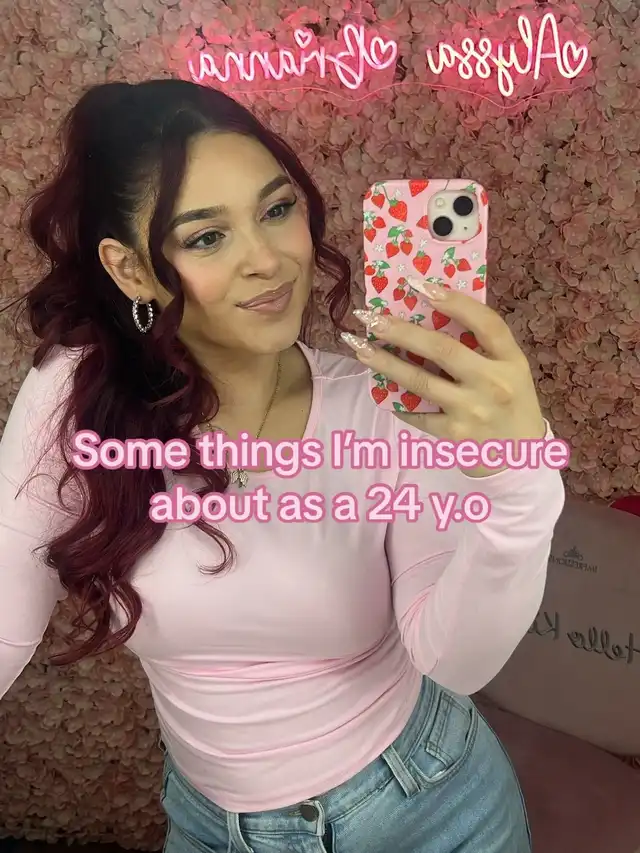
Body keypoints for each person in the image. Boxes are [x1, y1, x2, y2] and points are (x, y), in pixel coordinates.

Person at [0, 79, 565, 853]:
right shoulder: (78, 396)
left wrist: (519, 482)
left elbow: (456, 659)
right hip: (210, 823)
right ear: (130, 269)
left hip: (427, 808)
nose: (268, 261)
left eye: (275, 210)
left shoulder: (382, 408)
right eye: (207, 236)